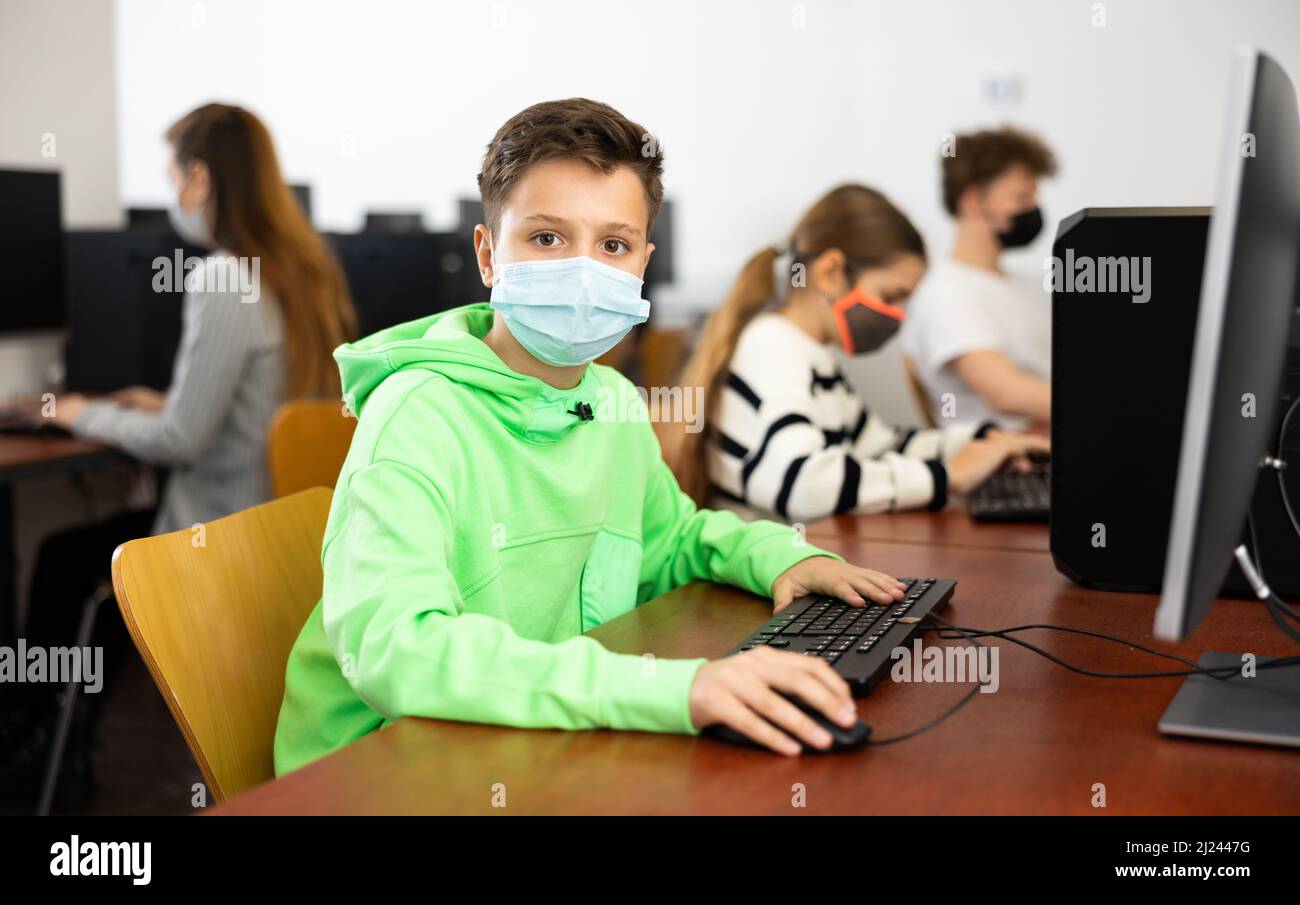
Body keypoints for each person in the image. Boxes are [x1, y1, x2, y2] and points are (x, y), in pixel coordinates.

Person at [275, 99, 915, 772]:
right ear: (488, 255)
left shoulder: (608, 400)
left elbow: (671, 540)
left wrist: (780, 557)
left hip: (526, 738)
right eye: (547, 237)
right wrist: (675, 689)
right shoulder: (418, 415)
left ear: (643, 261)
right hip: (381, 766)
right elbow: (399, 651)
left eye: (613, 245)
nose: (583, 272)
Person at [0, 103, 357, 808]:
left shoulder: (225, 279)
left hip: (216, 537)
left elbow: (182, 442)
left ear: (199, 178)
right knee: (81, 552)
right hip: (286, 533)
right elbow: (261, 413)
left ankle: (43, 753)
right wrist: (158, 399)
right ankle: (57, 749)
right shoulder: (304, 270)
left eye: (173, 173)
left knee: (63, 561)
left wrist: (77, 410)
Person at [664, 184, 1047, 524]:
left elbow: (881, 446)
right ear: (830, 273)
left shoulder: (814, 354)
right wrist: (948, 476)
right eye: (891, 296)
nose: (898, 316)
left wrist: (986, 442)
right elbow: (805, 486)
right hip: (757, 583)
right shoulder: (772, 347)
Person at [901, 126, 1058, 429]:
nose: (1033, 208)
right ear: (973, 201)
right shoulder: (947, 293)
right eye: (1022, 197)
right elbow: (1005, 393)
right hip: (1010, 466)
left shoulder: (1022, 286)